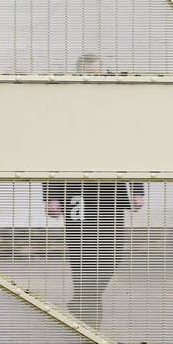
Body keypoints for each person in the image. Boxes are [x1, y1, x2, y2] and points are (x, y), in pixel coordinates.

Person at [42, 54, 144, 328]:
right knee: (81, 251)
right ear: (77, 75)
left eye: (98, 74)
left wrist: (137, 188)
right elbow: (51, 152)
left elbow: (131, 147)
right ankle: (88, 309)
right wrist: (50, 195)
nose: (93, 79)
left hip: (110, 190)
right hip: (75, 191)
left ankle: (85, 299)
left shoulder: (116, 107)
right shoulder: (64, 108)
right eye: (88, 74)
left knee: (112, 251)